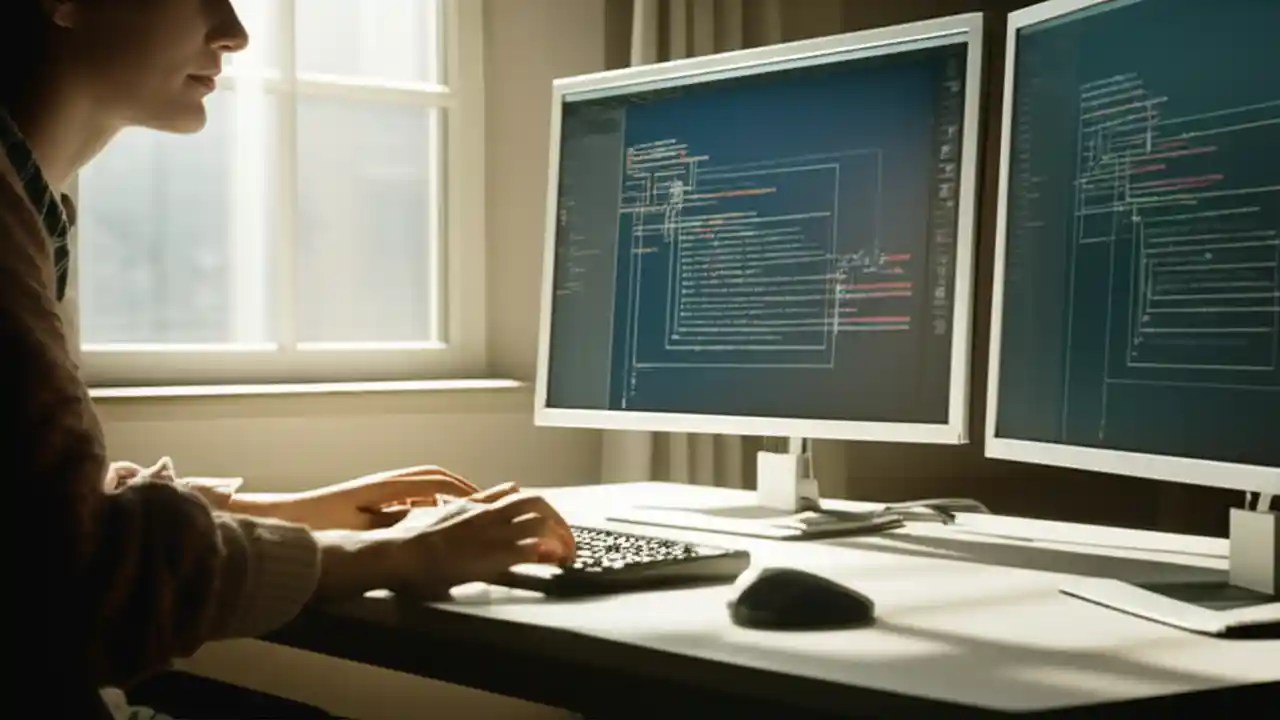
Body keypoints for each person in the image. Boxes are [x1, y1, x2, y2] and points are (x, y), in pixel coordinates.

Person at [1, 2, 575, 718]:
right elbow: (74, 575)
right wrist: (395, 557)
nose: (234, 32)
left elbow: (33, 511)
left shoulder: (28, 206)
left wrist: (286, 511)